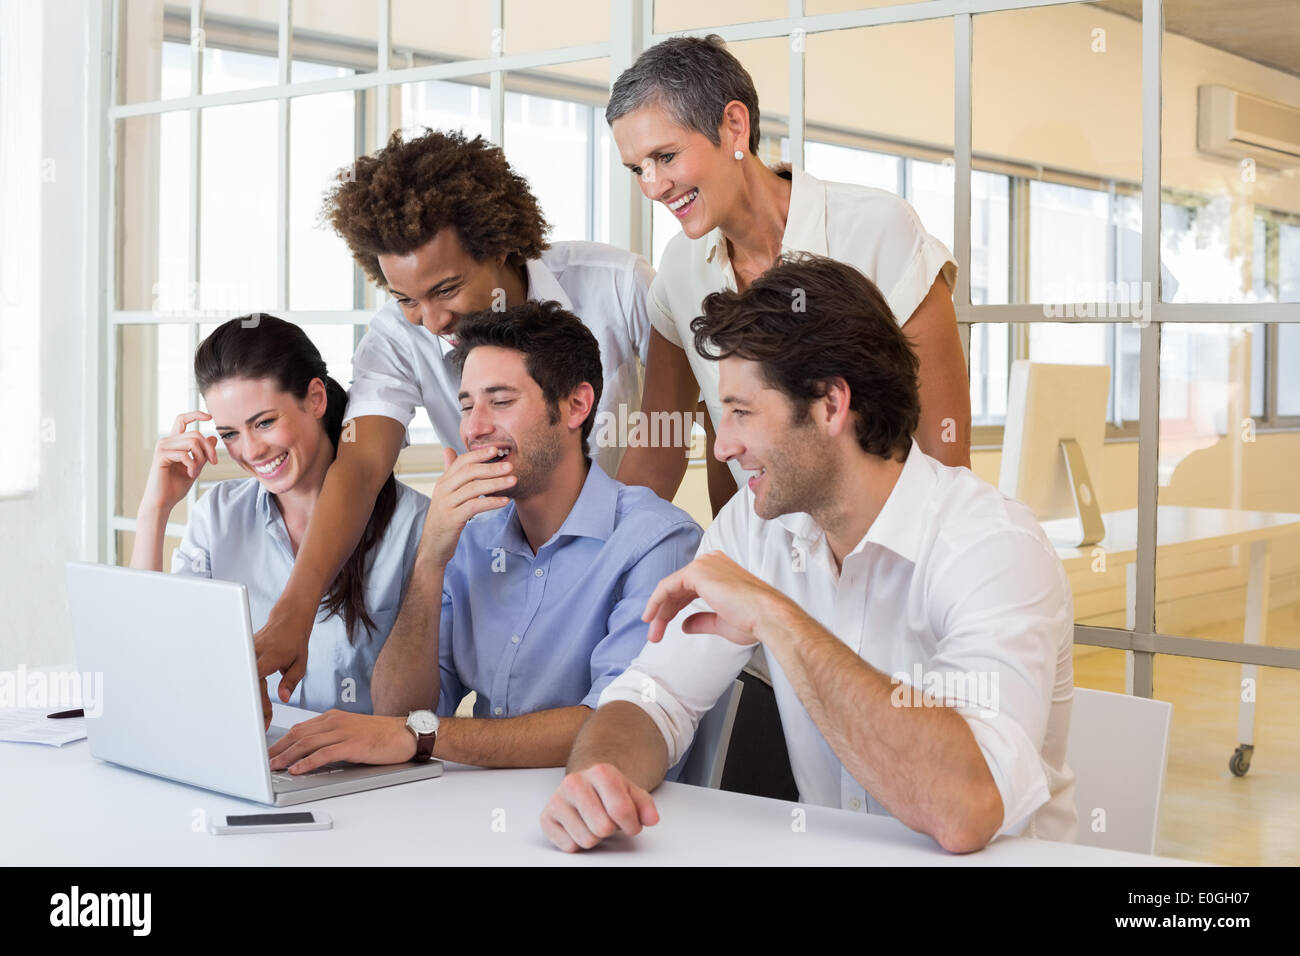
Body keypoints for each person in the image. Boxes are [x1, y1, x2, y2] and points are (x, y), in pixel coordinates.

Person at [539, 256, 1077, 854]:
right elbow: (654, 697)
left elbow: (966, 809)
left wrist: (775, 614)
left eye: (742, 412)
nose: (723, 447)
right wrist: (598, 779)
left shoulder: (991, 547)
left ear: (829, 405)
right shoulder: (753, 526)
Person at [604, 33, 973, 798]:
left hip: (887, 577)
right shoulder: (679, 269)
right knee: (800, 797)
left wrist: (909, 582)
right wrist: (607, 562)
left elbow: (943, 443)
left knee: (901, 784)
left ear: (734, 128)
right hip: (763, 563)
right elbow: (666, 441)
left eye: (666, 157)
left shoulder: (876, 229)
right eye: (637, 168)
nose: (653, 186)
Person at [254, 128, 656, 712]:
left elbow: (677, 423)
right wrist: (295, 610)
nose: (432, 320)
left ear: (501, 245)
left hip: (621, 551)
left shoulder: (617, 285)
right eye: (406, 298)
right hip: (511, 552)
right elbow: (361, 466)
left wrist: (610, 567)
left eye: (446, 289)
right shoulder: (397, 338)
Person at [266, 301, 702, 772]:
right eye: (467, 405)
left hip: (610, 821)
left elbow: (616, 724)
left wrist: (423, 735)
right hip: (483, 811)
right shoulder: (473, 541)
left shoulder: (658, 542)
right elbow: (397, 711)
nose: (475, 428)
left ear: (576, 405)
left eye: (501, 401)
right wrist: (431, 557)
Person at [130, 315, 429, 719]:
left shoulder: (415, 526)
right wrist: (155, 510)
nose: (251, 451)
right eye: (230, 434)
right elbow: (151, 658)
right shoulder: (219, 516)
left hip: (371, 775)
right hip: (258, 763)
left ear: (316, 399)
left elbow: (422, 713)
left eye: (265, 422)